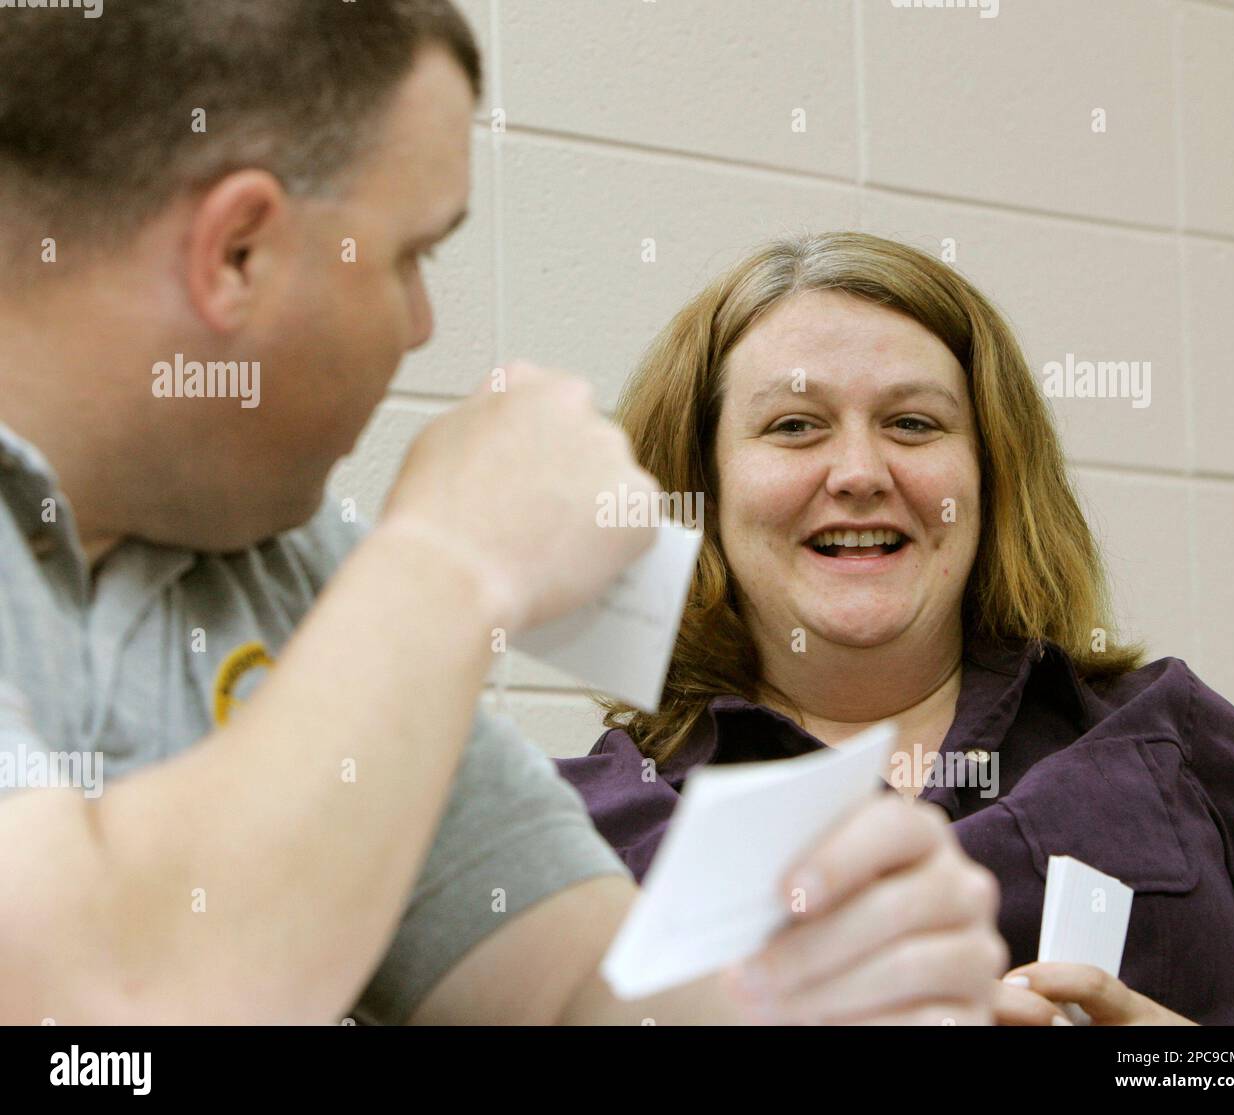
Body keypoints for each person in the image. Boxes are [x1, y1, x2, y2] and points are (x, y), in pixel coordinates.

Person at [0, 3, 1006, 1025]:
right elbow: (86, 1016)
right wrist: (452, 556)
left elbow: (576, 992)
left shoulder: (288, 569)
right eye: (409, 257)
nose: (422, 325)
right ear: (237, 254)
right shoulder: (405, 580)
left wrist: (808, 989)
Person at [558, 230, 1234, 1027]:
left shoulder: (1166, 734)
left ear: (992, 471)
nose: (859, 474)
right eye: (794, 426)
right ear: (700, 484)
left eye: (913, 423)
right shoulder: (586, 831)